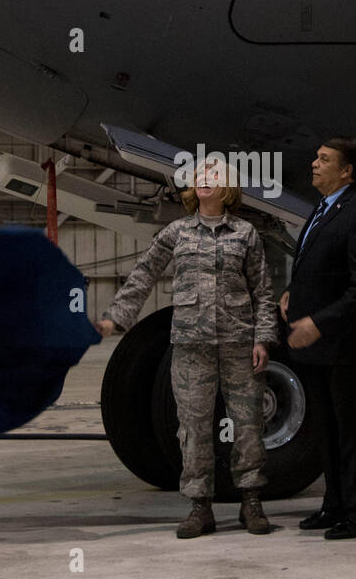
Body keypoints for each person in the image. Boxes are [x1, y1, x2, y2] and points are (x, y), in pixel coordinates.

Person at [95, 160, 278, 537]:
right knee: (193, 428)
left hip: (239, 343)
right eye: (199, 176)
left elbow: (263, 291)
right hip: (191, 347)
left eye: (213, 175)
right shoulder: (176, 233)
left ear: (227, 186)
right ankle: (200, 507)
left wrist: (263, 338)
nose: (204, 180)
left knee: (248, 425)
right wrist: (116, 317)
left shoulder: (245, 234)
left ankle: (252, 502)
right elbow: (144, 273)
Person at [281, 138, 356, 540]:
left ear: (346, 171)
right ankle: (335, 505)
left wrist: (319, 322)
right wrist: (295, 294)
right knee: (326, 430)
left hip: (346, 344)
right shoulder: (325, 207)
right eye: (315, 157)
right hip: (321, 345)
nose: (313, 164)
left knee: (352, 432)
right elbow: (324, 268)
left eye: (324, 160)